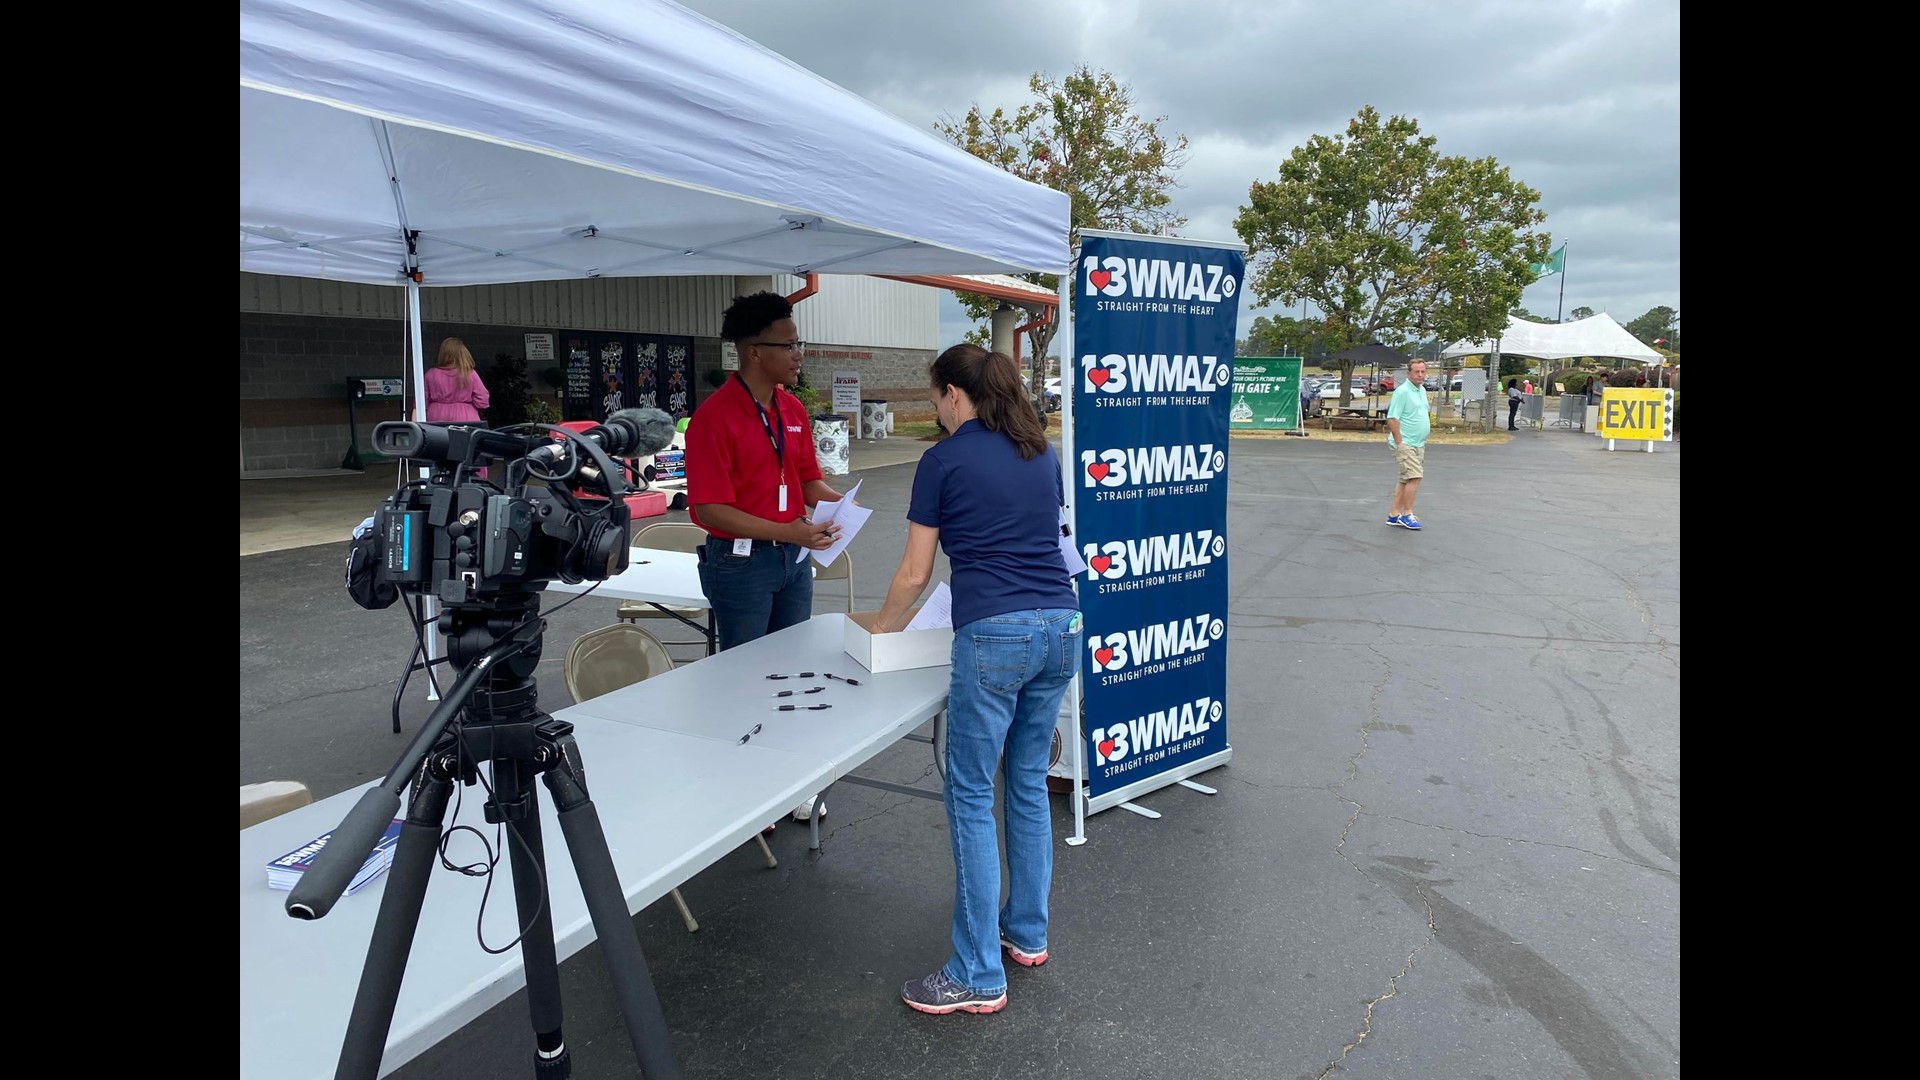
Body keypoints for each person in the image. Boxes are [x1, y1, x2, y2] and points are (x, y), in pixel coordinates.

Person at [869, 343, 1080, 1017]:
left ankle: (975, 972)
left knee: (967, 793)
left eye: (935, 399)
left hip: (996, 636)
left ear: (956, 396)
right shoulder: (1039, 455)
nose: (935, 411)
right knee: (1023, 784)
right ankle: (1026, 933)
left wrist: (879, 631)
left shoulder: (943, 461)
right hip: (1063, 627)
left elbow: (913, 575)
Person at [685, 292, 845, 821]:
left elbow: (806, 479)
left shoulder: (792, 408)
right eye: (790, 344)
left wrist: (839, 499)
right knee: (745, 673)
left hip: (790, 561)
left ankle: (788, 778)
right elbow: (710, 507)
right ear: (755, 352)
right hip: (741, 564)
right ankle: (747, 782)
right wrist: (789, 531)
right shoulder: (714, 418)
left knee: (791, 668)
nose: (800, 353)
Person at [1387, 359, 1431, 530]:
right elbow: (1392, 418)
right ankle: (1407, 514)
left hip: (1418, 443)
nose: (1420, 375)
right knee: (1415, 477)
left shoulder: (1421, 390)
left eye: (1422, 371)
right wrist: (1400, 443)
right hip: (1406, 443)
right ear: (1409, 373)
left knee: (1405, 479)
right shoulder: (1402, 392)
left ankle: (1394, 515)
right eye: (1416, 372)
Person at [423, 337, 490, 424]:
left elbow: (421, 402)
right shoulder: (469, 373)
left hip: (437, 417)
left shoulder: (430, 374)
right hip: (465, 417)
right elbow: (482, 400)